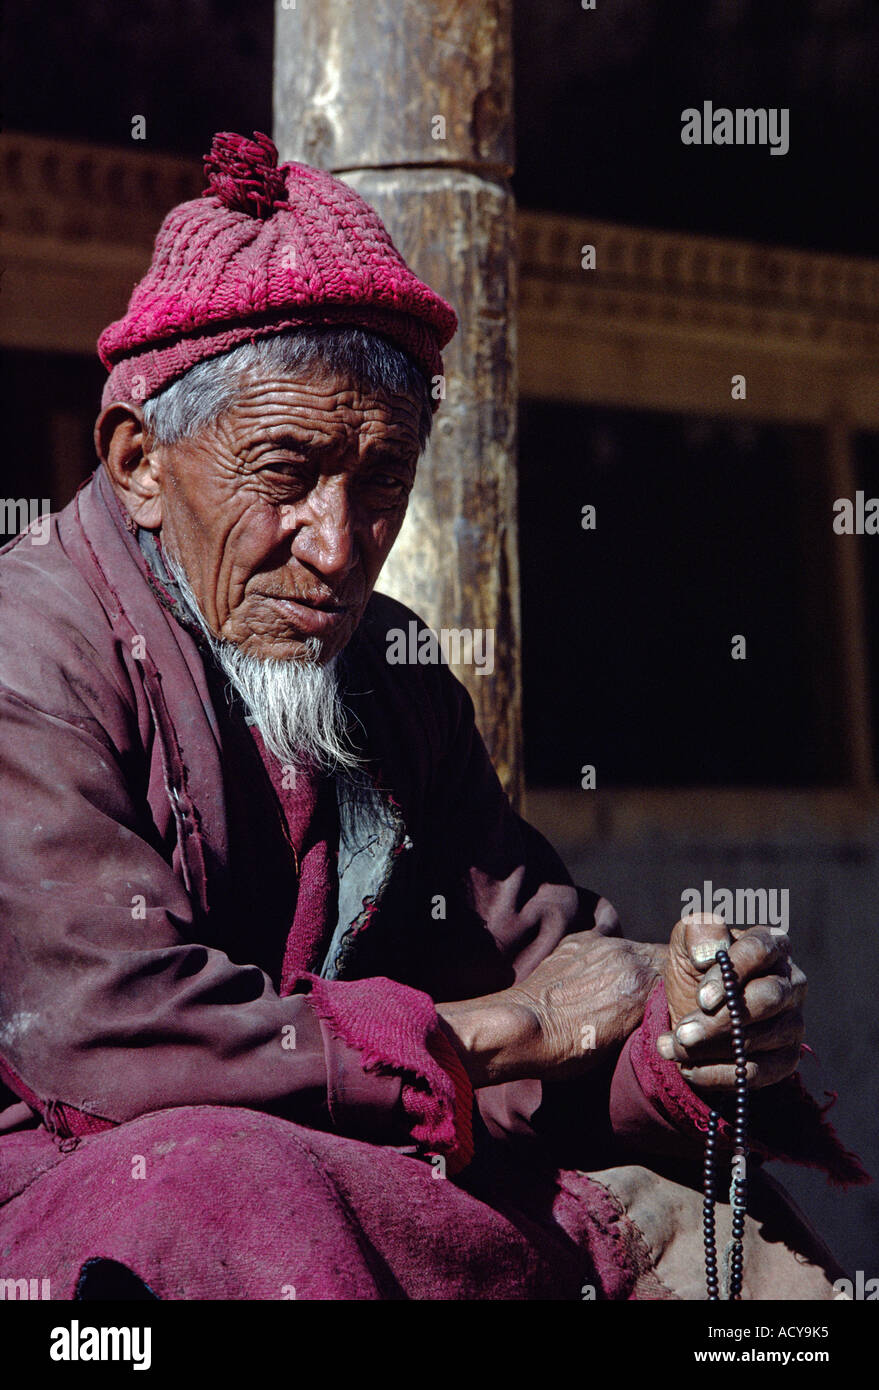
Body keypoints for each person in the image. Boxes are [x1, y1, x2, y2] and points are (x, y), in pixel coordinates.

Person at [0, 132, 865, 1301]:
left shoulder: (389, 667)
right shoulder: (29, 645)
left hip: (351, 1167)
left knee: (728, 1228)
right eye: (287, 472)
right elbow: (113, 1036)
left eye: (382, 482)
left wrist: (687, 1026)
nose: (338, 546)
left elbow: (555, 962)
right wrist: (513, 1030)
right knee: (202, 1185)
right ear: (140, 460)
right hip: (79, 1201)